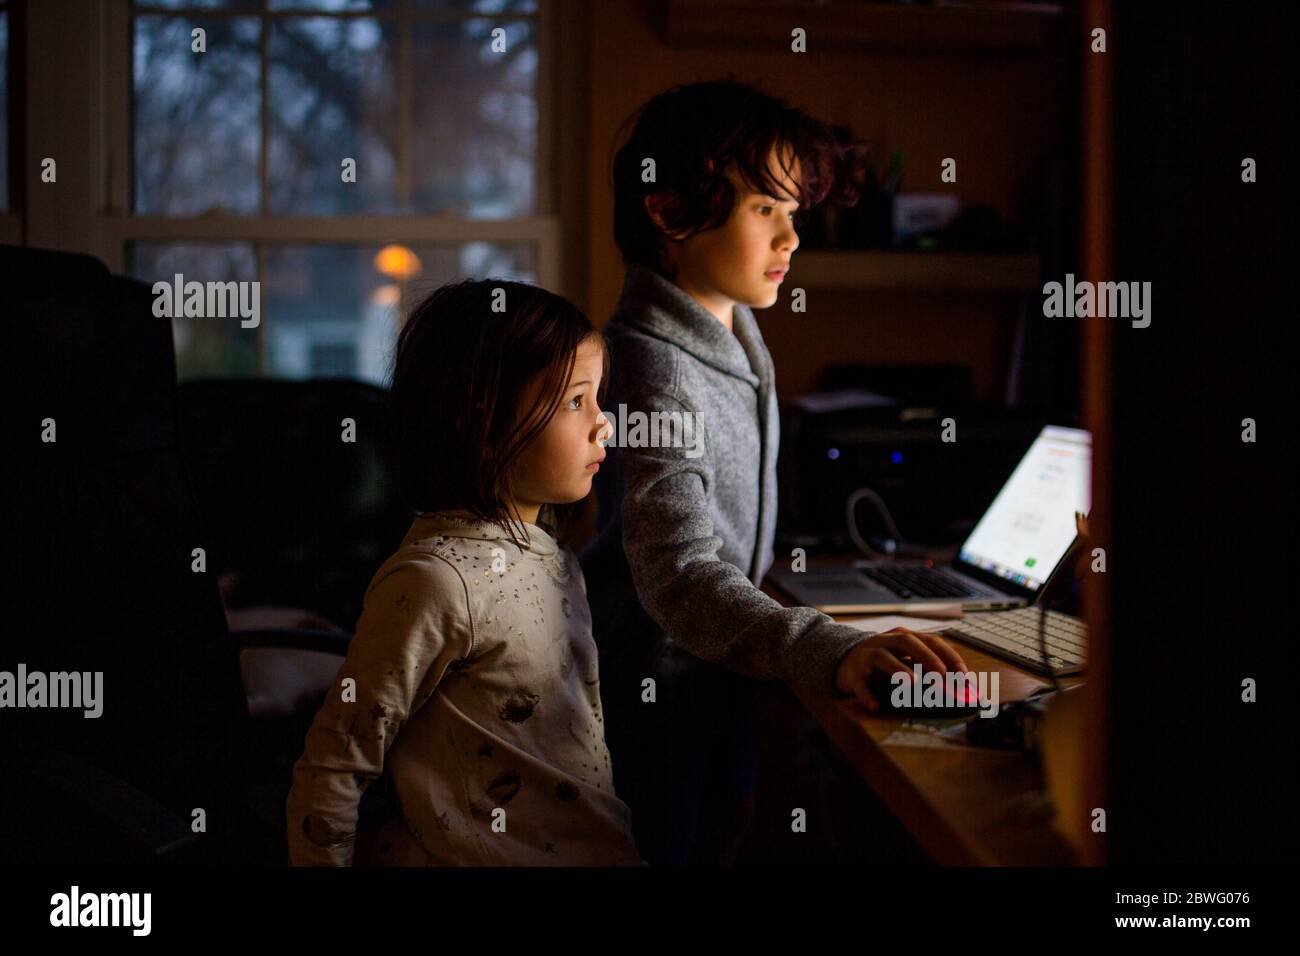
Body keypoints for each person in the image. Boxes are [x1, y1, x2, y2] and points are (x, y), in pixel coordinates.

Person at [582, 80, 970, 866]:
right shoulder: (655, 367)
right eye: (766, 209)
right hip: (652, 699)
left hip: (720, 670)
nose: (792, 238)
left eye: (794, 212)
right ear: (667, 210)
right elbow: (683, 572)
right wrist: (821, 646)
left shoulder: (733, 330)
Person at [286, 279, 642, 866]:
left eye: (598, 399)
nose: (603, 424)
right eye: (577, 401)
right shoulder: (435, 582)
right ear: (484, 424)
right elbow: (334, 766)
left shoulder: (554, 557)